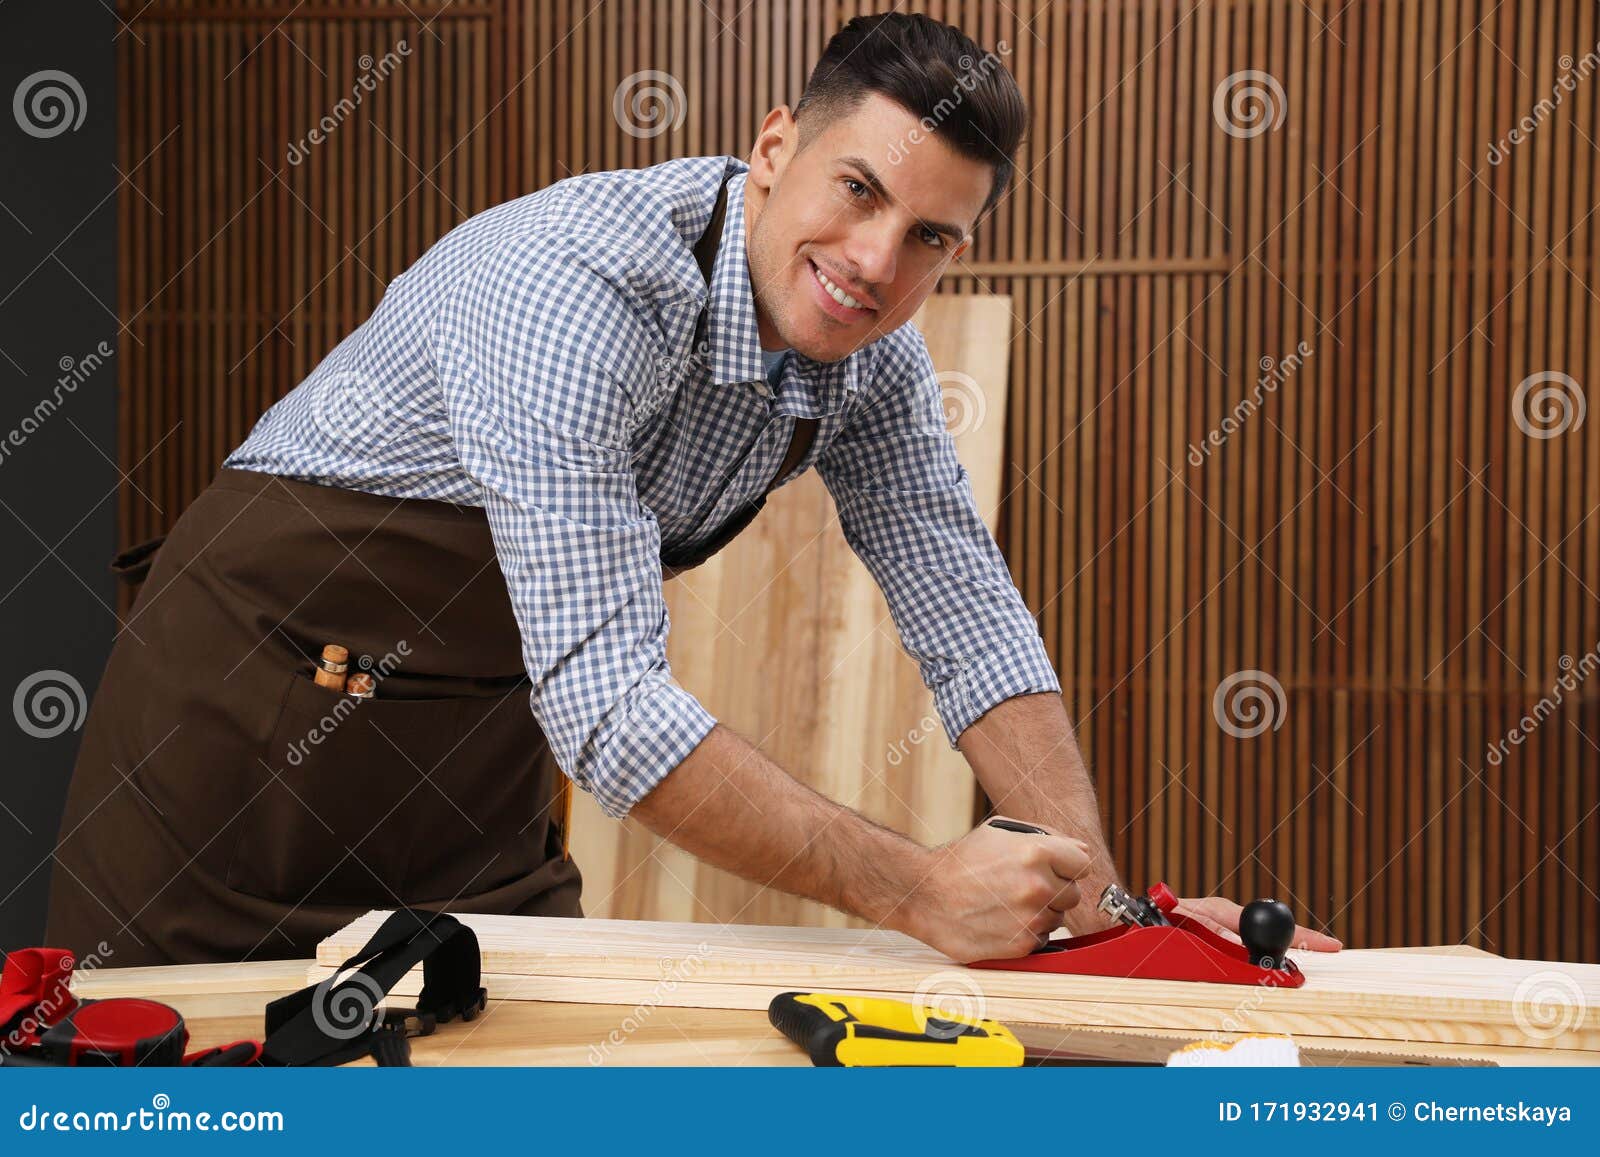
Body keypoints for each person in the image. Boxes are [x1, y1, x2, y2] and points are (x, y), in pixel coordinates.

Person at [46, 12, 1341, 967]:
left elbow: (967, 608)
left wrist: (1104, 909)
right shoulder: (573, 285)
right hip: (246, 731)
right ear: (777, 143)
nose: (876, 265)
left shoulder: (867, 361)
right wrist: (916, 887)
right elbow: (610, 703)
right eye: (859, 191)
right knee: (180, 1087)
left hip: (471, 755)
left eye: (930, 236)